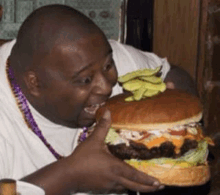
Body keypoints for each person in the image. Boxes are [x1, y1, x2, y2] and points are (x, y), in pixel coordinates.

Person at [0, 4, 198, 195]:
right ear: (34, 83)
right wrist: (71, 176)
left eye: (108, 66)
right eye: (85, 80)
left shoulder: (93, 56)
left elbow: (173, 74)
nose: (106, 87)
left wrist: (173, 116)